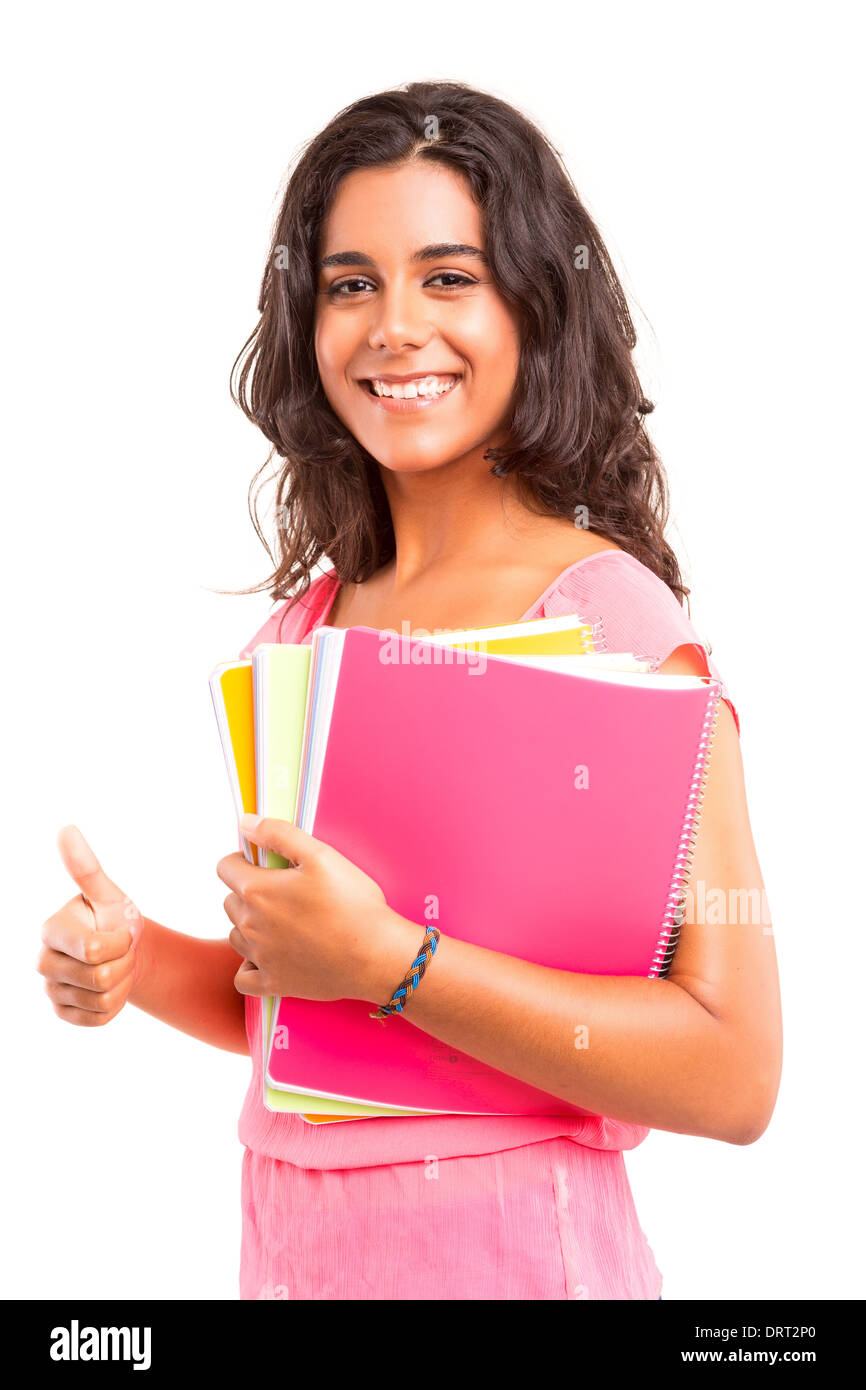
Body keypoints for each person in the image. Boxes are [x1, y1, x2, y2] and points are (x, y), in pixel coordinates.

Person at [37, 81, 782, 1300]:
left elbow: (734, 1070)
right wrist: (136, 962)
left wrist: (397, 958)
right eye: (349, 283)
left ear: (534, 305)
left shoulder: (602, 622)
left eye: (448, 277)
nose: (393, 326)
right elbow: (309, 1004)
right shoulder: (310, 627)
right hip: (291, 1256)